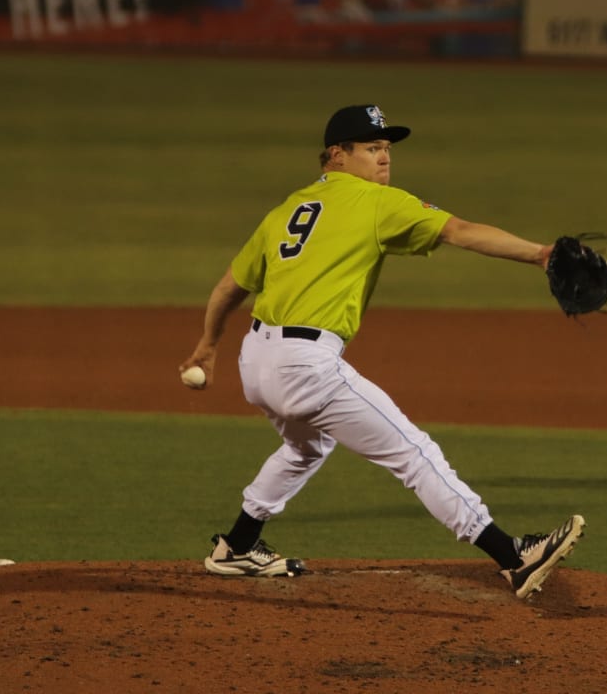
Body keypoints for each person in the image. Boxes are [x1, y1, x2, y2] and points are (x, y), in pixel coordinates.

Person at [179, 104, 585, 599]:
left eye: (387, 148)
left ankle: (238, 545)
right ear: (337, 154)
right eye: (372, 148)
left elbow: (229, 287)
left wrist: (208, 345)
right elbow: (459, 231)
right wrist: (540, 254)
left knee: (307, 447)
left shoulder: (286, 210)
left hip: (257, 360)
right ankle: (514, 557)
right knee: (414, 453)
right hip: (305, 365)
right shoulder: (375, 201)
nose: (384, 158)